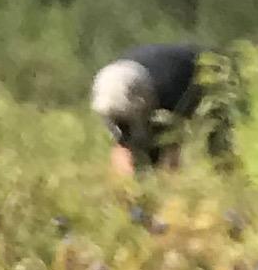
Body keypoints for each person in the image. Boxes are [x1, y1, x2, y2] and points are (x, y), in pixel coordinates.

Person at [91, 42, 217, 178]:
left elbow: (172, 143)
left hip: (113, 77)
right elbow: (124, 142)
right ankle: (133, 182)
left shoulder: (175, 86)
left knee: (160, 142)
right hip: (136, 80)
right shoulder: (112, 83)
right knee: (136, 143)